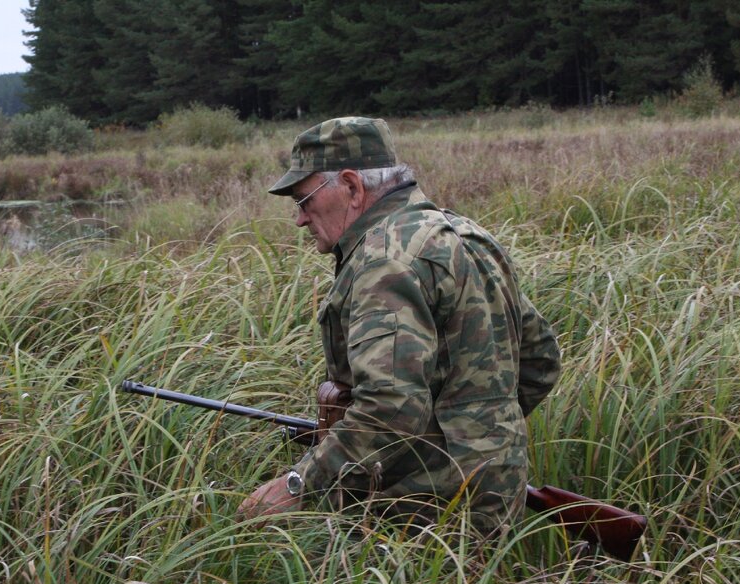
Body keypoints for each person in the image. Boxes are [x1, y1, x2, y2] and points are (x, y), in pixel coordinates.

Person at [238, 117, 561, 533]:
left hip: (420, 507)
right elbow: (541, 360)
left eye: (304, 200)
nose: (300, 219)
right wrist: (480, 433)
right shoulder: (466, 234)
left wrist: (300, 484)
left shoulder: (385, 259)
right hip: (497, 491)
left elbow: (390, 406)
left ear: (352, 187)